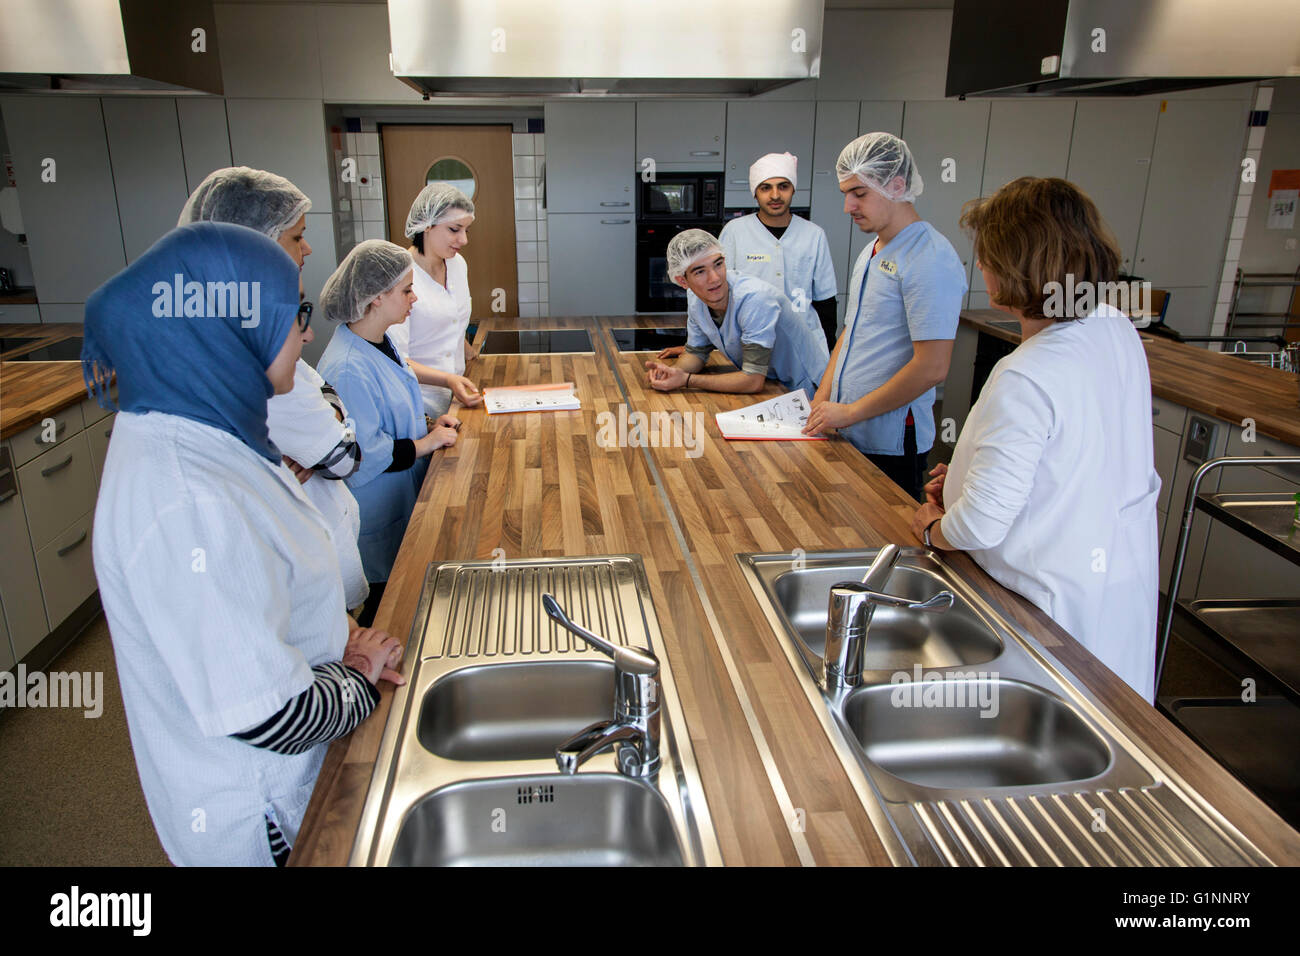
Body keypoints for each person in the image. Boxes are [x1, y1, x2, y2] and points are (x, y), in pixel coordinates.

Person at [86, 222, 405, 866]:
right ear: (233, 324)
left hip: (288, 760)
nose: (308, 333)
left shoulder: (208, 425)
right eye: (295, 314)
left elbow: (257, 588)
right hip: (261, 811)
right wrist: (360, 677)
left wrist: (331, 635)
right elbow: (272, 717)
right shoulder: (186, 497)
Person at [909, 177, 1161, 703]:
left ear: (1011, 266)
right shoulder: (1113, 325)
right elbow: (1072, 456)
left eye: (985, 255)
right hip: (1113, 586)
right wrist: (965, 478)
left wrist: (938, 526)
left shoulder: (1027, 373)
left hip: (1043, 607)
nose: (978, 266)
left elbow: (978, 525)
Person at [178, 166, 369, 611]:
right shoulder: (245, 354)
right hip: (298, 581)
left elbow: (321, 391)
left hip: (313, 565)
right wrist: (329, 419)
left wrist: (327, 410)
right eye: (295, 236)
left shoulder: (245, 335)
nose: (306, 248)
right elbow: (344, 456)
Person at [803, 133, 967, 503]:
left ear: (896, 185)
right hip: (850, 427)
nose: (848, 206)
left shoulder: (929, 258)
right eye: (846, 193)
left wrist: (849, 412)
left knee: (884, 538)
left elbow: (932, 368)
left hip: (891, 441)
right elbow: (850, 332)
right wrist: (823, 399)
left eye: (859, 193)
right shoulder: (874, 249)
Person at [316, 240, 459, 605]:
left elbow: (395, 403)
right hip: (376, 515)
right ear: (376, 296)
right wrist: (428, 443)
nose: (415, 299)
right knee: (389, 605)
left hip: (401, 498)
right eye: (407, 291)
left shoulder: (379, 341)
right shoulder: (347, 365)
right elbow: (364, 453)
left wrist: (427, 424)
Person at [644, 229, 828, 396]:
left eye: (718, 264)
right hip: (772, 386)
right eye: (700, 271)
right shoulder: (695, 300)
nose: (715, 278)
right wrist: (671, 373)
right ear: (682, 281)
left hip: (807, 389)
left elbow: (752, 381)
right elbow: (696, 353)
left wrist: (686, 380)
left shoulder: (755, 298)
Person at [719, 151, 839, 347]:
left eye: (783, 186)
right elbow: (720, 293)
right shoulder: (734, 232)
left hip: (803, 342)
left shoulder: (813, 234)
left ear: (793, 190)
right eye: (766, 188)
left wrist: (830, 349)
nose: (775, 195)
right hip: (750, 340)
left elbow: (825, 301)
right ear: (755, 193)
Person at [388, 183, 483, 418]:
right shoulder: (400, 275)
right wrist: (448, 380)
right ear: (427, 225)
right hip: (421, 404)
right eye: (454, 229)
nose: (463, 240)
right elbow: (396, 358)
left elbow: (450, 321)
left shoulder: (457, 265)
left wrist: (472, 355)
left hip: (458, 395)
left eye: (466, 231)